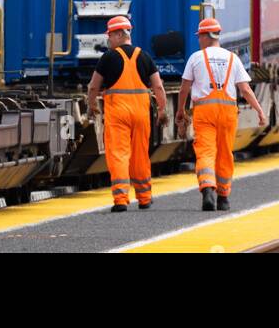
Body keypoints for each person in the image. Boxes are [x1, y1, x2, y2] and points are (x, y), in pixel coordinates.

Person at [176, 17, 267, 211]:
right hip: (227, 113)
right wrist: (259, 111)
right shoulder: (233, 58)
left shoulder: (196, 58)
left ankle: (208, 188)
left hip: (204, 112)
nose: (198, 40)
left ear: (205, 36)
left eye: (199, 36)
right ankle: (223, 197)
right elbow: (245, 90)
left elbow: (184, 89)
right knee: (225, 153)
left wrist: (180, 111)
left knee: (205, 151)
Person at [86, 15, 168, 212]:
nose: (108, 39)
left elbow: (93, 87)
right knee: (140, 154)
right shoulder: (145, 56)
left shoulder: (108, 57)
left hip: (118, 114)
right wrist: (163, 110)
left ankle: (121, 199)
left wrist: (91, 105)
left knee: (119, 154)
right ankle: (144, 197)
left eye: (110, 35)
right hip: (141, 114)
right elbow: (158, 86)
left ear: (119, 34)